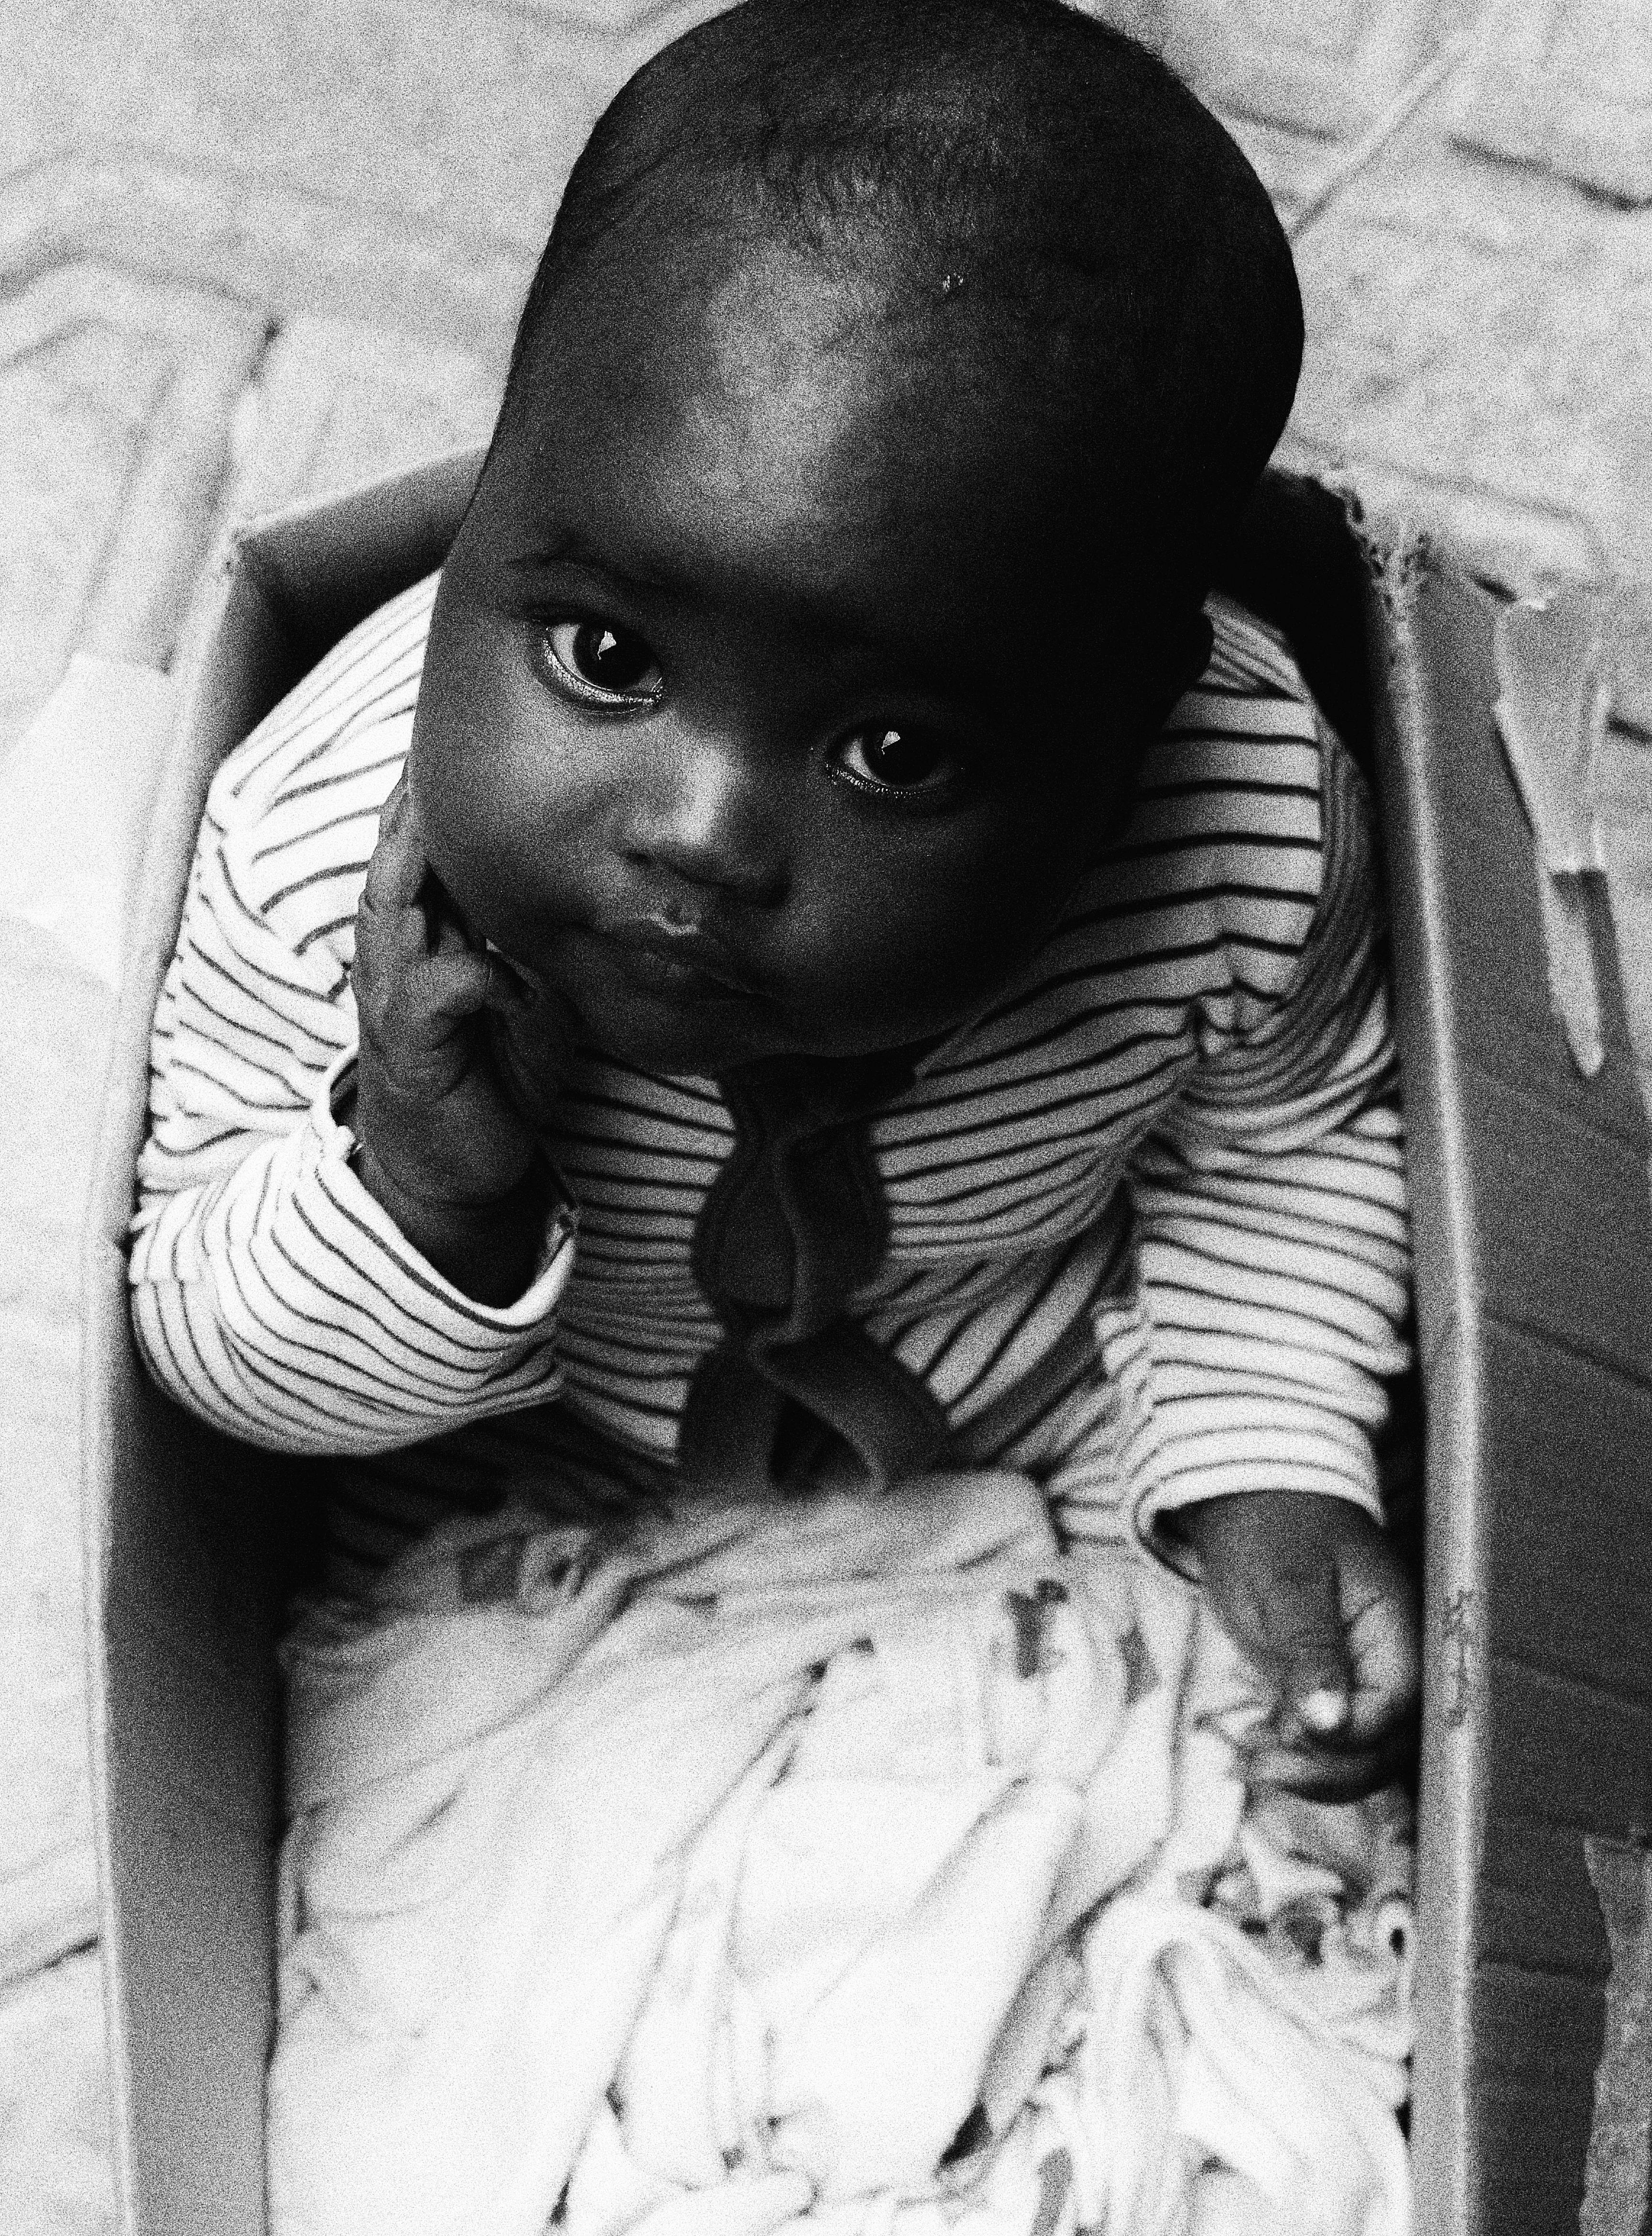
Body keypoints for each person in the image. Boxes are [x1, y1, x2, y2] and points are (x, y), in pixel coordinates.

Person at [130, 0, 1418, 1796]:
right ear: (489, 492)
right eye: (603, 656)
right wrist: (425, 1188)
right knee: (415, 1776)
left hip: (1048, 1410)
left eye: (894, 753)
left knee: (1257, 1793)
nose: (699, 836)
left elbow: (1287, 1142)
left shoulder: (1248, 829)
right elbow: (218, 1360)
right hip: (531, 1438)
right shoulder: (326, 852)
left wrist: (1269, 1453)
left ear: (1131, 725)